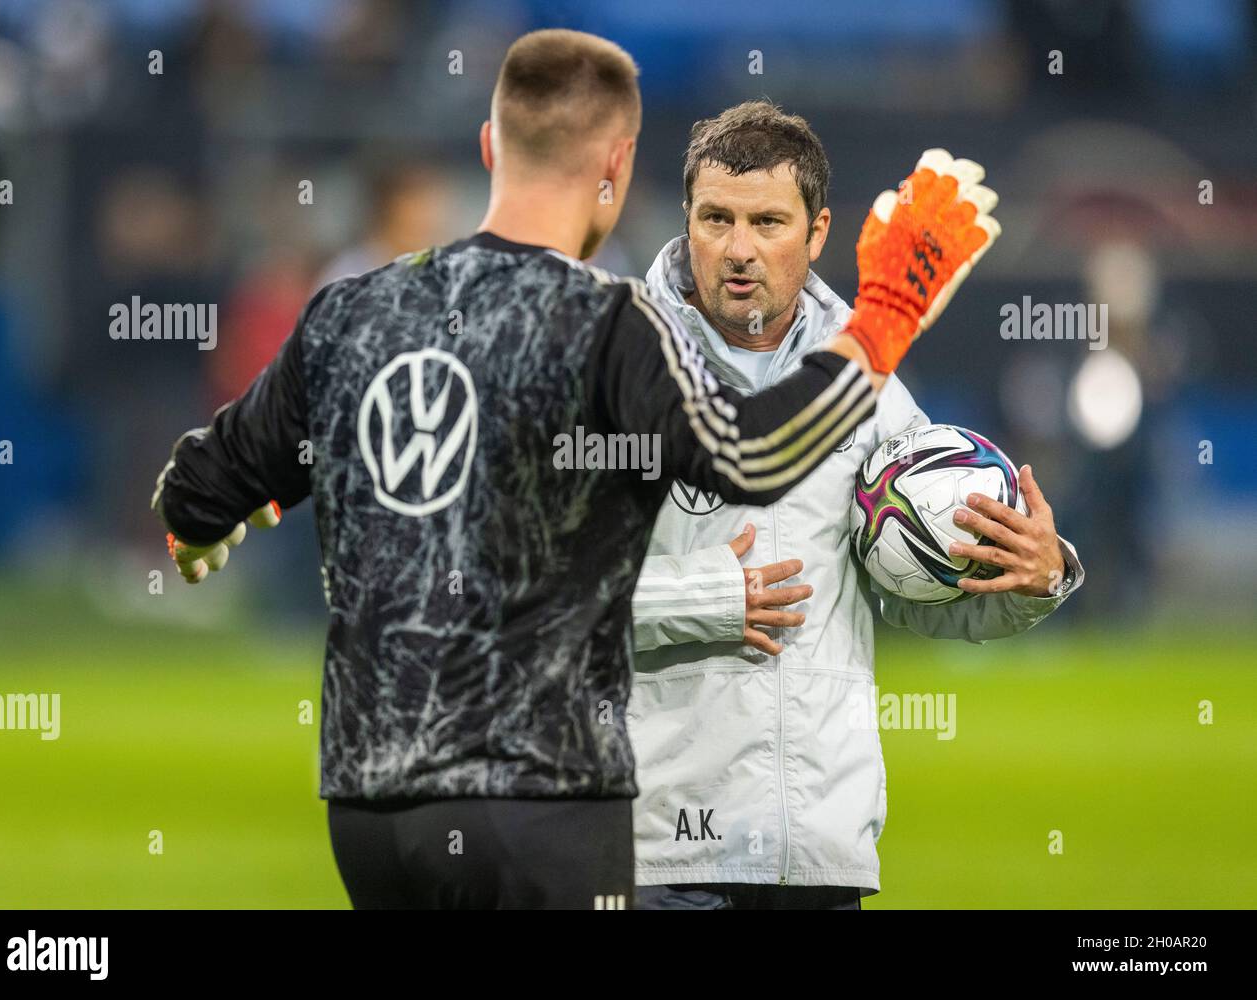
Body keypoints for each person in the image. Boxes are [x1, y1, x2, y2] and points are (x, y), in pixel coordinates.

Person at [151, 35, 997, 909]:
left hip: (372, 808)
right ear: (616, 167)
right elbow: (752, 453)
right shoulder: (604, 324)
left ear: (488, 148)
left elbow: (199, 487)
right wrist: (883, 323)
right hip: (539, 800)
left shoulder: (352, 311)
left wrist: (204, 523)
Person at [627, 101, 1084, 910]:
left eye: (768, 221)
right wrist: (705, 597)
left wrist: (1027, 577)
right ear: (686, 220)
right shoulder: (617, 363)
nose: (738, 250)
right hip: (666, 851)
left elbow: (915, 591)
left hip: (819, 849)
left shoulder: (868, 378)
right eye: (716, 218)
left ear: (818, 232)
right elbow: (539, 599)